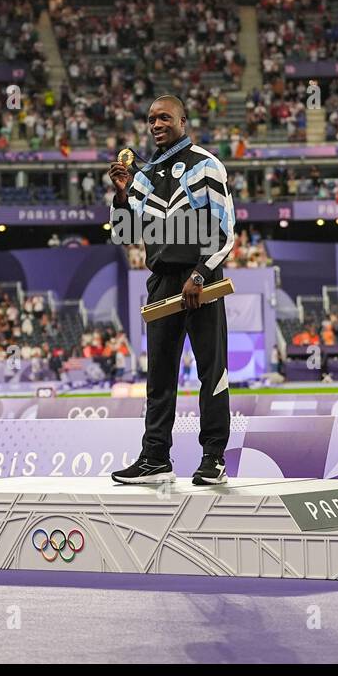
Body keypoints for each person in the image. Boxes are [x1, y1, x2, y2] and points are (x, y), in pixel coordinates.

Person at [108, 95, 236, 486]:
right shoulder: (144, 175)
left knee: (211, 371)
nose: (156, 124)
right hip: (162, 282)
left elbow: (226, 230)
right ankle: (155, 459)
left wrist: (200, 274)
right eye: (151, 119)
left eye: (164, 117)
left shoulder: (206, 165)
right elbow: (126, 234)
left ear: (183, 120)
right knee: (159, 376)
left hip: (201, 280)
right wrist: (122, 194)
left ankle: (213, 457)